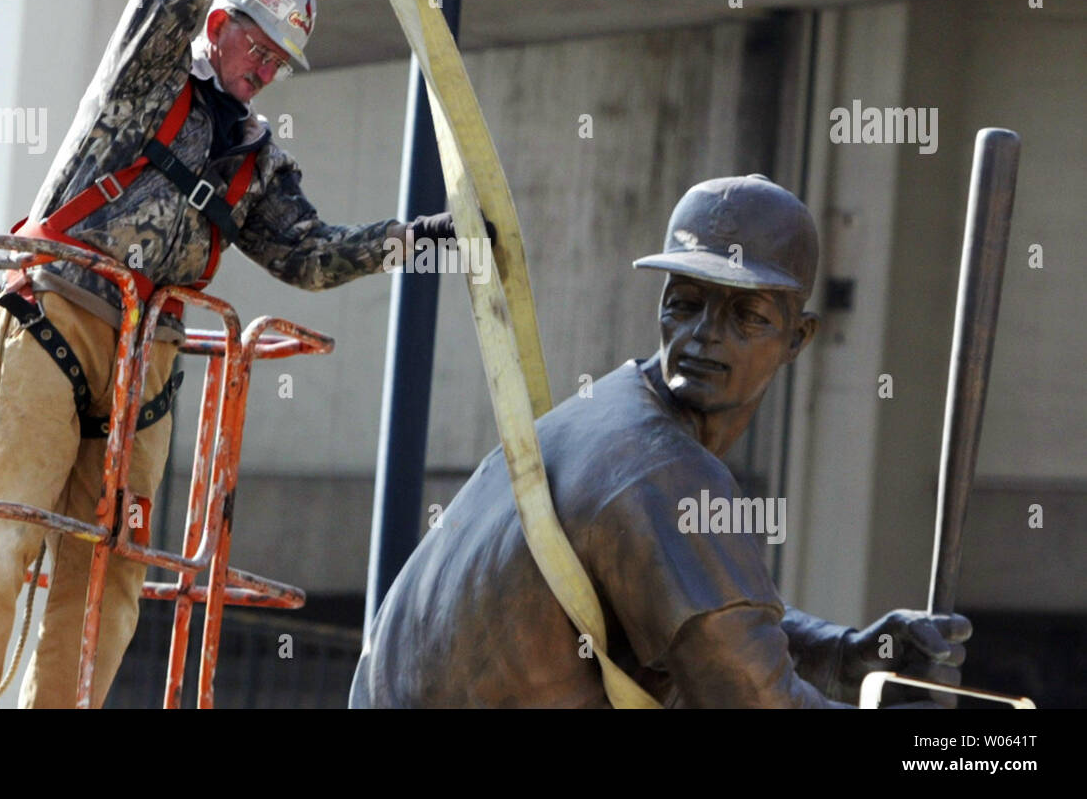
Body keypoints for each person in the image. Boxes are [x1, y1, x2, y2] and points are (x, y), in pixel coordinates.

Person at [0, 0, 453, 708]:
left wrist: (416, 242)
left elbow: (306, 254)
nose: (267, 67)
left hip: (148, 365)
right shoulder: (146, 76)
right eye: (260, 46)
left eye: (280, 61)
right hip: (53, 315)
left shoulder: (254, 160)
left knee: (113, 564)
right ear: (219, 29)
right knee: (9, 522)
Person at [350, 174, 972, 708]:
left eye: (746, 317)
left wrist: (842, 655)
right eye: (687, 304)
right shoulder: (654, 471)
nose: (705, 336)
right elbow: (753, 698)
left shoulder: (609, 415)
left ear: (797, 338)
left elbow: (712, 614)